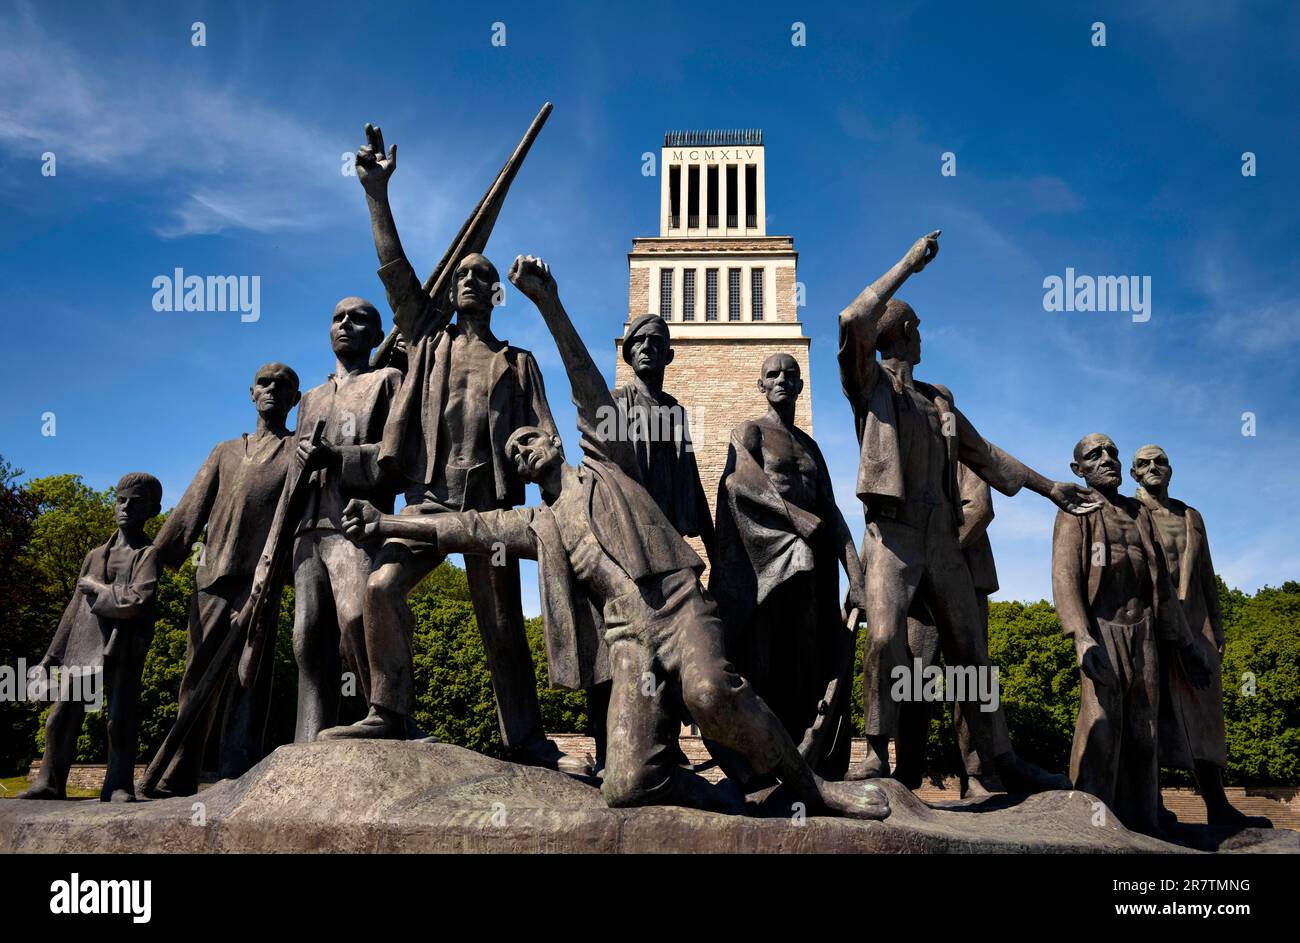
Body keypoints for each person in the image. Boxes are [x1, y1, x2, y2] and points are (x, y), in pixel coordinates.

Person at [339, 254, 889, 819]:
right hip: (630, 637)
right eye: (517, 453)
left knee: (707, 693)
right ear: (523, 474)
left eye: (533, 438)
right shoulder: (537, 523)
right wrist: (383, 524)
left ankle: (813, 788)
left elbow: (586, 389)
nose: (527, 449)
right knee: (626, 784)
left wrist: (548, 304)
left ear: (556, 442)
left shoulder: (606, 462)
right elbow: (461, 528)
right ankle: (712, 793)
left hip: (676, 611)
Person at [318, 125, 583, 776]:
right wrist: (376, 194)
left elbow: (547, 434)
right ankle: (389, 709)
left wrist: (541, 458)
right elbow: (396, 273)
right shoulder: (428, 340)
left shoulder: (518, 363)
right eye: (461, 273)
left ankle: (524, 738)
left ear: (494, 293)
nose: (467, 279)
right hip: (428, 505)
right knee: (381, 587)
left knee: (501, 631)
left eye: (480, 276)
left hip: (490, 509)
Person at [837, 230, 1095, 791]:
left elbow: (986, 454)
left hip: (940, 534)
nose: (924, 334)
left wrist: (1049, 486)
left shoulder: (939, 401)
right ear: (904, 330)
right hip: (893, 532)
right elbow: (853, 315)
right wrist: (907, 263)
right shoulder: (870, 384)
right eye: (919, 326)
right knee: (884, 639)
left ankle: (997, 758)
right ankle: (876, 751)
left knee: (970, 649)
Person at [145, 363, 301, 796]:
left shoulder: (296, 453)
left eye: (283, 385)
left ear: (296, 399)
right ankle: (178, 773)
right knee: (197, 676)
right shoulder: (225, 451)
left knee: (250, 678)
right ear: (251, 392)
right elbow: (188, 511)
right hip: (213, 577)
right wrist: (152, 564)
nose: (272, 390)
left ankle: (239, 773)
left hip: (262, 582)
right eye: (265, 383)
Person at [710, 353, 864, 780]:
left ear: (799, 386)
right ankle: (760, 761)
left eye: (789, 375)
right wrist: (796, 521)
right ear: (761, 385)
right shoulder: (750, 431)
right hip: (766, 569)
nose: (781, 380)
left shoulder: (810, 448)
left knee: (808, 660)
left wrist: (857, 574)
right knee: (763, 660)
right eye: (772, 375)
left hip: (811, 574)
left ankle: (806, 759)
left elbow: (831, 511)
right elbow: (739, 485)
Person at [1053, 434, 1211, 836]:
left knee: (1146, 732)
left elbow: (1160, 586)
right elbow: (1065, 578)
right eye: (1095, 455)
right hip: (1102, 631)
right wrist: (1080, 636)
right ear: (1079, 470)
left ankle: (1144, 824)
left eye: (1112, 453)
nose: (1108, 459)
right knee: (1101, 725)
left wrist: (1187, 644)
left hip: (1143, 634)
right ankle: (1088, 826)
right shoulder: (1077, 511)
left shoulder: (1138, 513)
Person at [1130, 444, 1270, 828]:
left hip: (1195, 623)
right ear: (1134, 474)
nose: (1154, 467)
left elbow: (1206, 574)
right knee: (1151, 713)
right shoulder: (1130, 512)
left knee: (1206, 714)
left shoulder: (1191, 516)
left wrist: (1217, 626)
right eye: (1145, 463)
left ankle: (1217, 804)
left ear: (1171, 470)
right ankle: (1151, 803)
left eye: (1160, 461)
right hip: (1150, 623)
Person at [287, 296, 402, 740]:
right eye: (337, 318)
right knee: (307, 639)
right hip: (306, 528)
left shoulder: (387, 381)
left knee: (357, 617)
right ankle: (308, 738)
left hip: (353, 524)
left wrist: (337, 457)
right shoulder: (311, 398)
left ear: (376, 336)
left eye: (359, 319)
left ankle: (390, 715)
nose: (345, 325)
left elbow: (397, 458)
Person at [19, 474, 162, 802]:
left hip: (123, 648)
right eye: (121, 500)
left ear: (151, 510)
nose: (125, 507)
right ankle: (50, 782)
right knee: (61, 717)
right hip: (84, 648)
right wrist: (48, 659)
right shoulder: (95, 555)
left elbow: (139, 601)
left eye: (135, 502)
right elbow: (73, 610)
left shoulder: (148, 555)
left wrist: (98, 589)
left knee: (118, 721)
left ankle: (119, 784)